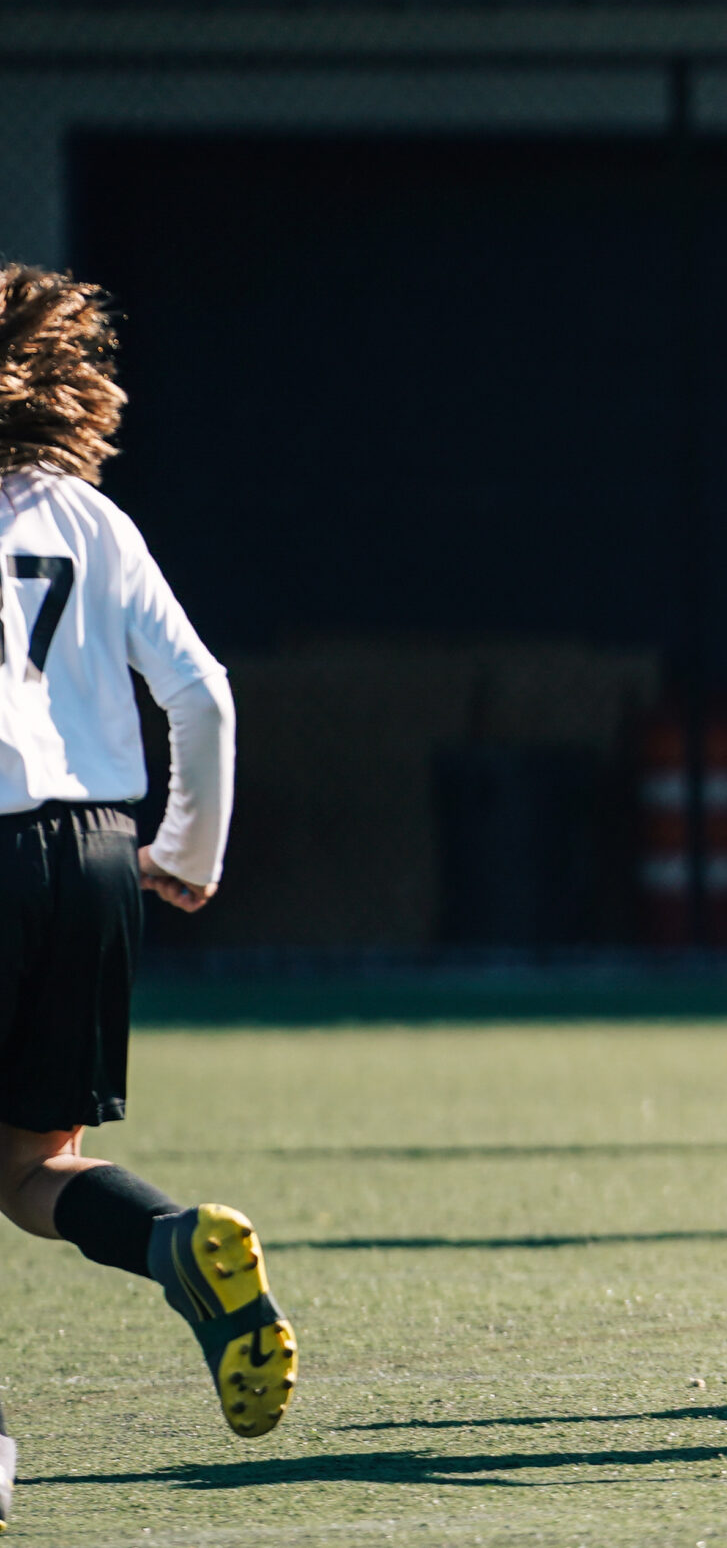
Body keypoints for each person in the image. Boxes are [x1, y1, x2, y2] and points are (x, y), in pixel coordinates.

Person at [0, 266, 292, 1512]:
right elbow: (203, 693)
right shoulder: (88, 518)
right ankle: (176, 1242)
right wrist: (188, 852)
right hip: (97, 854)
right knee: (29, 1166)